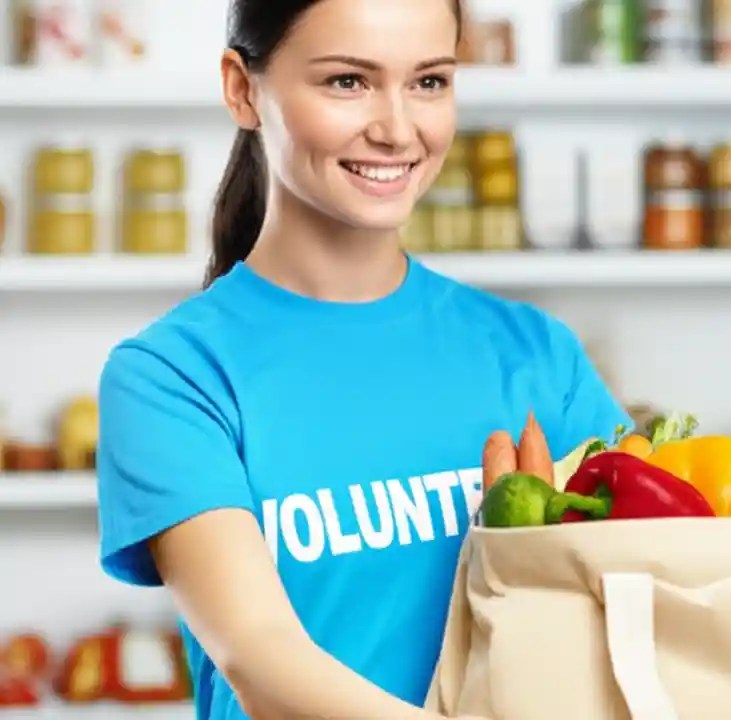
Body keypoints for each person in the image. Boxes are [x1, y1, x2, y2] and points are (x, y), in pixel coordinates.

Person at [94, 1, 630, 718]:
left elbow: (638, 592)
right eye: (348, 82)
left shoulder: (536, 353)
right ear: (242, 88)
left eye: (429, 82)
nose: (397, 128)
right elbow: (262, 659)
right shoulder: (173, 378)